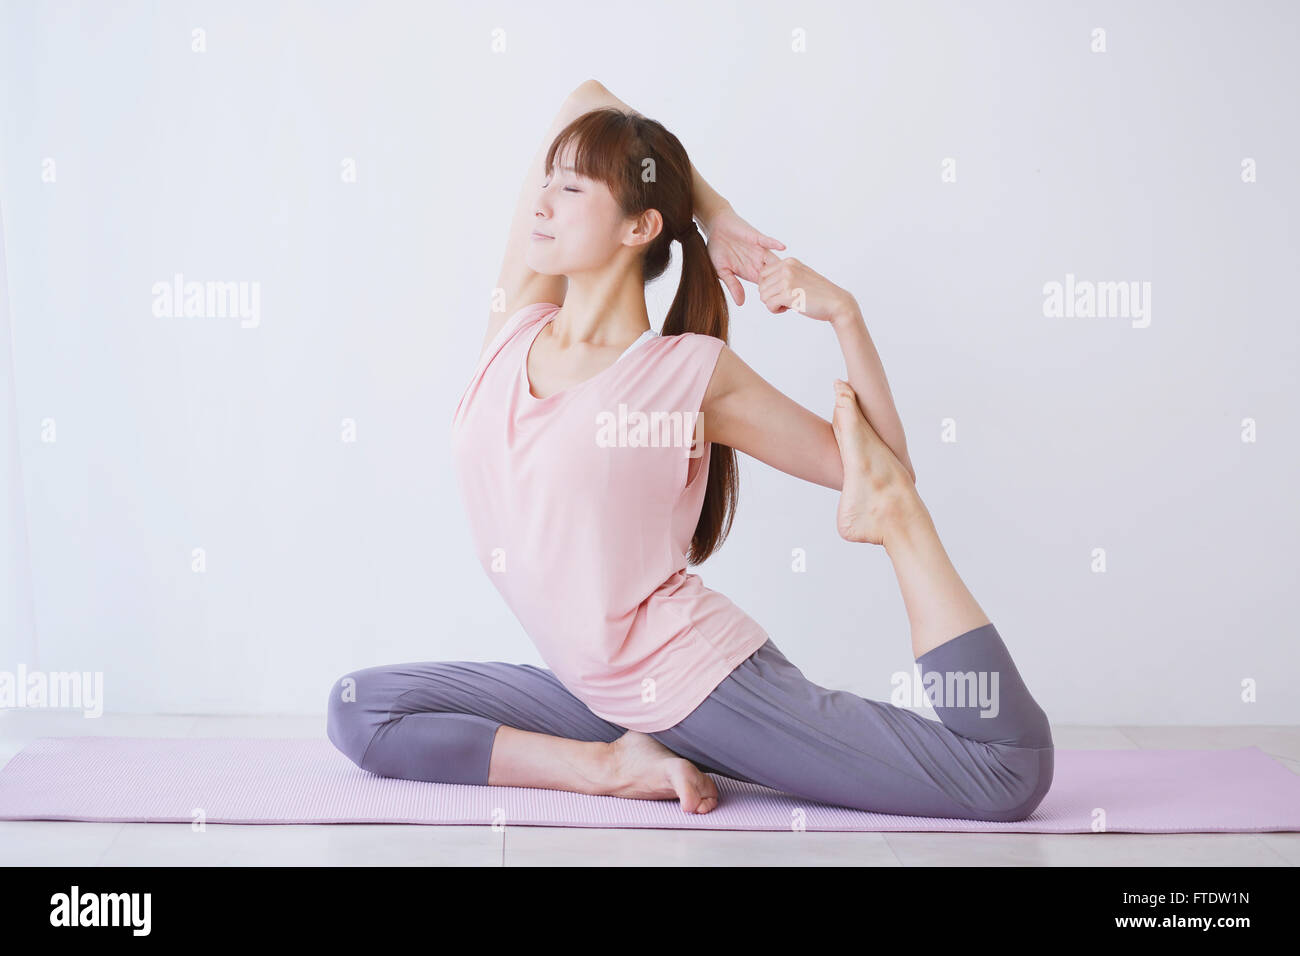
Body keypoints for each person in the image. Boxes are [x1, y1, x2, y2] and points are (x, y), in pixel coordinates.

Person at [326, 80, 1053, 821]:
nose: (539, 202)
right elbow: (585, 96)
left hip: (692, 678)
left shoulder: (685, 373)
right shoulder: (515, 321)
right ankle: (608, 767)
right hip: (595, 690)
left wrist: (844, 316)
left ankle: (901, 557)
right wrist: (715, 214)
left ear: (639, 228)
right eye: (545, 181)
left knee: (1003, 775)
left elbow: (879, 473)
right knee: (360, 709)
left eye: (570, 188)